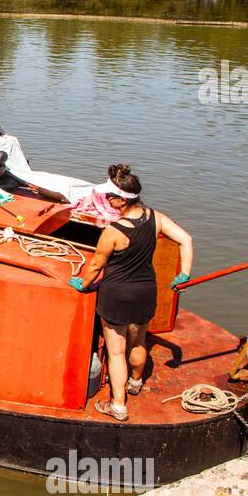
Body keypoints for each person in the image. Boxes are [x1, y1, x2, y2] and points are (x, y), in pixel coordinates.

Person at [67, 164, 193, 421]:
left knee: (115, 352)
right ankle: (136, 383)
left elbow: (96, 265)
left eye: (109, 197)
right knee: (138, 342)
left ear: (120, 200)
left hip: (116, 295)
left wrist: (82, 283)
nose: (105, 199)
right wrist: (185, 273)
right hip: (145, 290)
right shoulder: (156, 218)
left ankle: (118, 405)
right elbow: (185, 240)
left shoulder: (114, 231)